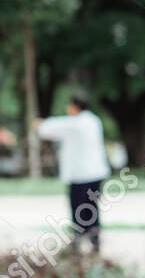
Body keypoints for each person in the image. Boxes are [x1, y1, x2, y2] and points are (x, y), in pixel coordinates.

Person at [37, 94, 111, 252]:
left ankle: (80, 238)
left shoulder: (77, 123)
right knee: (92, 207)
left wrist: (41, 124)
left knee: (78, 207)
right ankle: (94, 237)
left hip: (81, 175)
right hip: (96, 173)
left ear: (75, 106)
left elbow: (48, 129)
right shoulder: (94, 121)